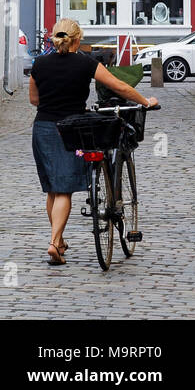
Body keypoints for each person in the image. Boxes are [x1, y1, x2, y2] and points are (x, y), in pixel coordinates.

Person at [29, 18, 157, 265]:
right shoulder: (85, 63)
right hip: (72, 128)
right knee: (64, 189)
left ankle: (60, 240)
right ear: (78, 39)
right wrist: (145, 101)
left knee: (53, 188)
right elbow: (119, 86)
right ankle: (55, 243)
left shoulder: (39, 64)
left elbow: (34, 99)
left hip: (43, 128)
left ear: (55, 37)